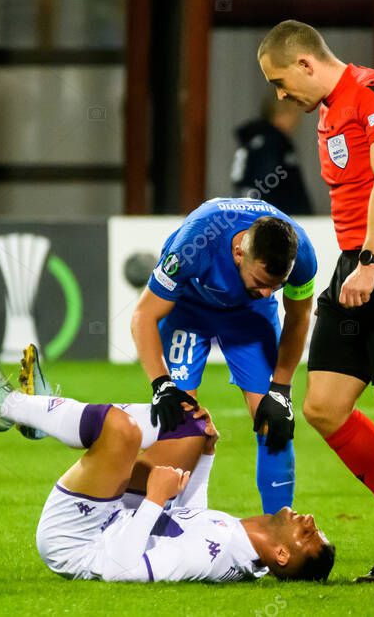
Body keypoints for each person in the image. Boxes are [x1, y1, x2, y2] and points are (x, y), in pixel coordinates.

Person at [257, 20, 374, 584]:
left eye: (281, 81)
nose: (281, 95)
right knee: (323, 406)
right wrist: (354, 263)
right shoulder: (330, 112)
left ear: (306, 64)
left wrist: (369, 262)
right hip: (354, 263)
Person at [0, 338, 336, 583]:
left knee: (121, 430)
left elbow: (121, 569)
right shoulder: (241, 544)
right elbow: (193, 518)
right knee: (189, 421)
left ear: (283, 555)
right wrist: (205, 457)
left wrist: (155, 501)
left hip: (78, 541)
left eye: (307, 533)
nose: (309, 519)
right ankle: (37, 418)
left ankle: (8, 406)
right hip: (118, 518)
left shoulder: (212, 558)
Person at [130, 198, 317, 515]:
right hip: (189, 308)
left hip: (249, 317)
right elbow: (143, 316)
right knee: (181, 425)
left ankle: (279, 528)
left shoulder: (301, 254)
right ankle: (158, 523)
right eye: (261, 282)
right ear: (238, 252)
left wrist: (282, 391)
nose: (268, 292)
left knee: (275, 422)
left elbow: (298, 320)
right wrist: (161, 384)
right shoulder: (194, 244)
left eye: (277, 286)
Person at [231, 89, 314, 215]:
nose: (297, 120)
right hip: (276, 219)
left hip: (247, 211)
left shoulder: (254, 140)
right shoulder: (274, 142)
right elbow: (267, 182)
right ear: (282, 112)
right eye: (294, 113)